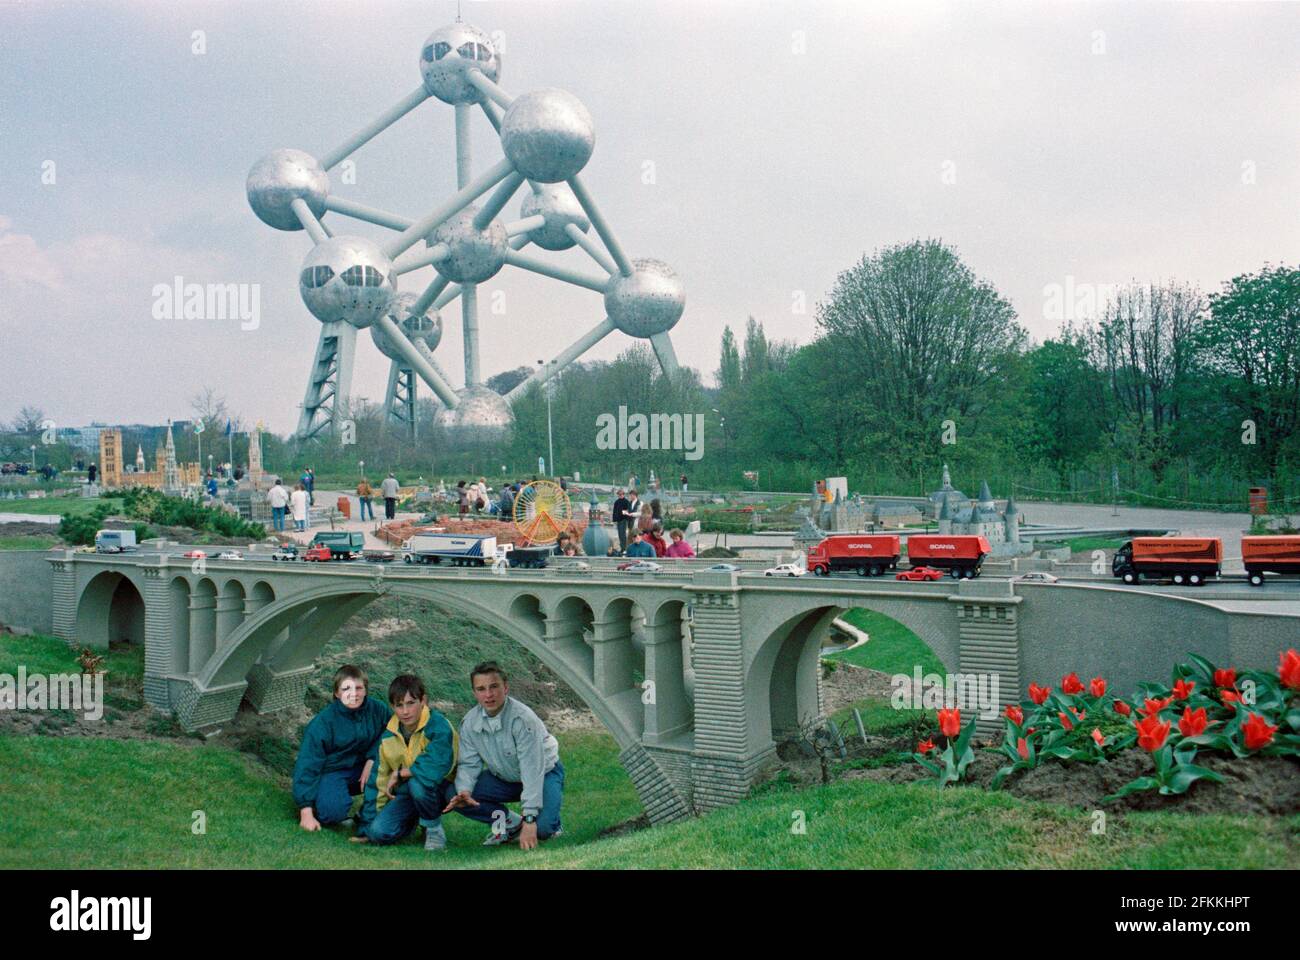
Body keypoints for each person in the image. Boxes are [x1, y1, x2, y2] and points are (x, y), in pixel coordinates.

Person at [443, 662, 564, 849]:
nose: (488, 695)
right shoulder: (469, 722)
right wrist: (465, 790)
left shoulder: (523, 719)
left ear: (505, 687)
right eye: (481, 689)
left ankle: (550, 823)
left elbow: (532, 770)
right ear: (475, 693)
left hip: (543, 774)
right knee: (455, 794)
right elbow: (468, 763)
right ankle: (511, 825)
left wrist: (530, 817)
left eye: (494, 687)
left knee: (542, 830)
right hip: (504, 779)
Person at [354, 674, 458, 851]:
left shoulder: (438, 725)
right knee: (378, 832)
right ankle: (412, 820)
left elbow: (437, 763)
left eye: (411, 703)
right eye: (399, 705)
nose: (405, 711)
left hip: (445, 788)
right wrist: (367, 828)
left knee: (418, 784)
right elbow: (377, 782)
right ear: (392, 706)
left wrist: (402, 773)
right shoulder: (388, 736)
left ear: (423, 700)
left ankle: (432, 829)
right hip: (409, 791)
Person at [292, 665, 391, 832]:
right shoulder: (323, 723)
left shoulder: (378, 710)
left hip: (364, 768)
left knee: (395, 773)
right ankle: (320, 799)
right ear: (337, 693)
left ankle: (368, 814)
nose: (354, 694)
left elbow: (391, 732)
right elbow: (307, 765)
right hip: (333, 771)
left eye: (359, 688)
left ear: (366, 690)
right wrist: (305, 812)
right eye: (346, 688)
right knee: (332, 813)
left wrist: (372, 758)